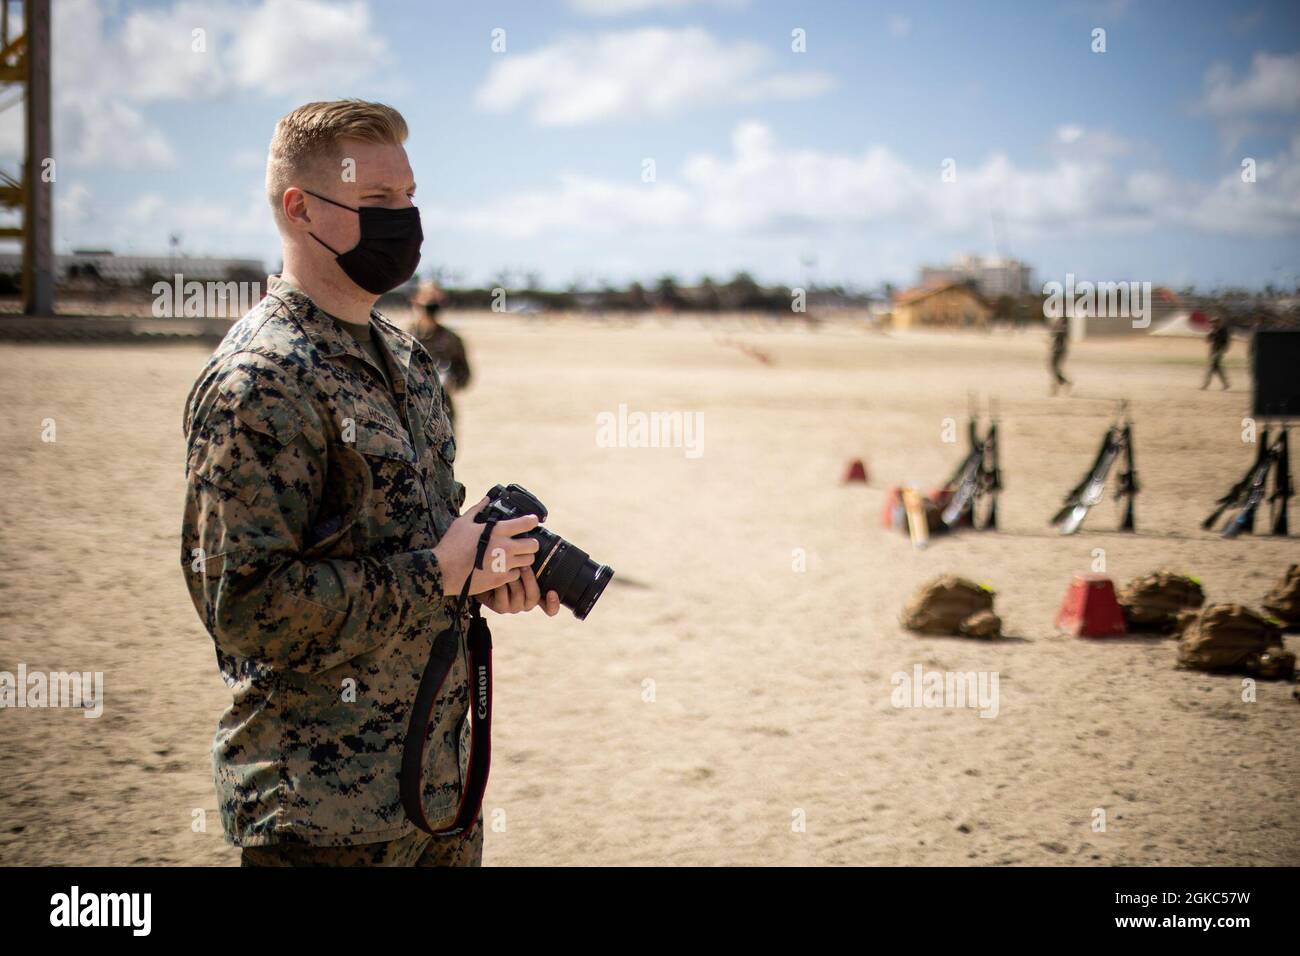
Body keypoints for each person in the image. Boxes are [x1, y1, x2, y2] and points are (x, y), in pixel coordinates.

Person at [180, 99, 560, 868]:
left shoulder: (409, 363)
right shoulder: (260, 381)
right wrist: (437, 573)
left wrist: (482, 575)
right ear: (301, 209)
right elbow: (245, 610)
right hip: (320, 819)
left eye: (410, 197)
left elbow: (414, 547)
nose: (405, 219)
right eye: (379, 201)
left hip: (438, 798)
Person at [410, 280, 472, 427]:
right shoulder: (402, 338)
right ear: (415, 301)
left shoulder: (452, 340)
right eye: (427, 300)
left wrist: (452, 381)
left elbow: (465, 374)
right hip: (410, 413)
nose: (431, 307)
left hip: (442, 412)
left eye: (436, 301)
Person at [1203, 313, 1230, 390]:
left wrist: (1215, 332)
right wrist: (1209, 334)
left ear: (1218, 322)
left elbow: (1225, 340)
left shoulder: (1223, 330)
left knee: (1211, 366)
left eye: (1214, 322)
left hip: (1219, 350)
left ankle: (1206, 384)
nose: (1213, 323)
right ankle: (1226, 384)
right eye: (1212, 322)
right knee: (1217, 368)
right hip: (1213, 350)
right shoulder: (1213, 330)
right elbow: (1207, 340)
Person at [1049, 315, 1071, 394]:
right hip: (1058, 349)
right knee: (1054, 367)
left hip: (1059, 350)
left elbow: (1057, 335)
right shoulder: (1062, 325)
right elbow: (1053, 333)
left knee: (1053, 367)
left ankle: (1063, 383)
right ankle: (1059, 384)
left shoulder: (1063, 327)